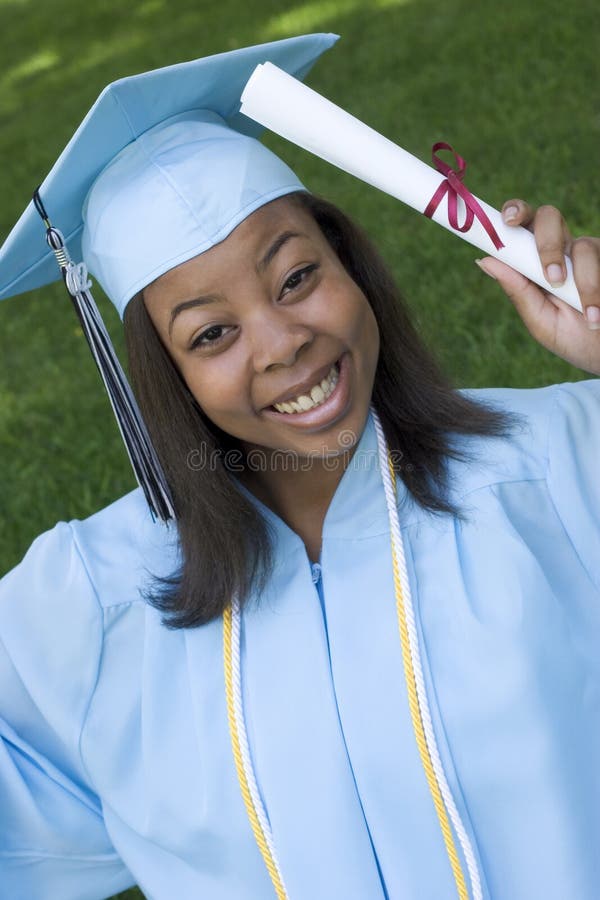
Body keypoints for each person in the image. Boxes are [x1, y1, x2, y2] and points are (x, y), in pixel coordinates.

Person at [1, 34, 599, 900]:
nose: (283, 344)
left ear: (351, 266)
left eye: (296, 277)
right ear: (165, 379)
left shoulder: (560, 472)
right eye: (211, 333)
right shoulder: (92, 609)